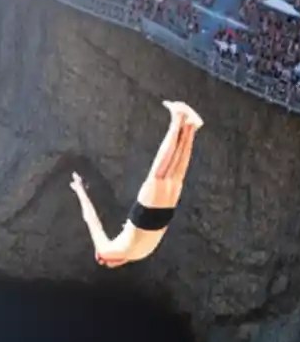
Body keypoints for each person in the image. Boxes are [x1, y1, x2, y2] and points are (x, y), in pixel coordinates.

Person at [70, 101, 203, 268]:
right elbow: (91, 219)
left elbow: (118, 259)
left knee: (175, 178)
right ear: (101, 258)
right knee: (157, 175)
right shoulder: (105, 250)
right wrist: (79, 190)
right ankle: (177, 118)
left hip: (160, 222)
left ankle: (190, 128)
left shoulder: (134, 254)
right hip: (143, 221)